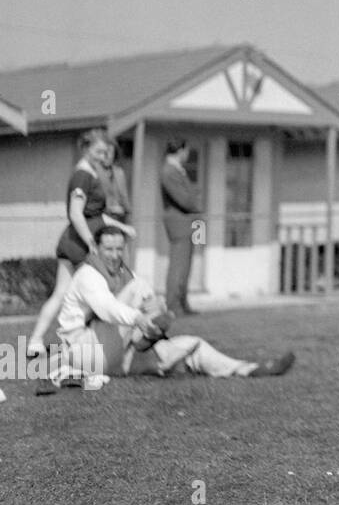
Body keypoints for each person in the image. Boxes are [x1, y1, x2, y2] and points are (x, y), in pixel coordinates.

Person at [39, 225, 293, 391]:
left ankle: (249, 369)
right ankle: (147, 335)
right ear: (96, 248)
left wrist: (156, 307)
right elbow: (107, 309)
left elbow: (137, 297)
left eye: (119, 249)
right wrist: (142, 317)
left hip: (114, 352)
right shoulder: (88, 274)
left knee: (192, 345)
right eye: (108, 249)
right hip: (81, 349)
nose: (115, 255)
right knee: (139, 290)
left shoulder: (121, 273)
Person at [26, 128, 136, 357]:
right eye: (98, 151)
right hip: (79, 244)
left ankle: (43, 341)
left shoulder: (91, 174)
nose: (102, 156)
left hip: (82, 241)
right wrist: (90, 242)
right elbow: (76, 214)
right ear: (85, 149)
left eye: (105, 152)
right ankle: (57, 342)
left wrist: (123, 228)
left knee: (68, 293)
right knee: (97, 291)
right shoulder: (83, 175)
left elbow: (95, 214)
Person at [161, 139, 203, 315]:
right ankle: (173, 304)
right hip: (179, 223)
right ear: (180, 150)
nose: (187, 155)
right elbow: (184, 200)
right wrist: (196, 204)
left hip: (191, 222)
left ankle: (183, 302)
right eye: (186, 151)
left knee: (187, 265)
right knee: (178, 265)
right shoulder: (169, 171)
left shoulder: (178, 170)